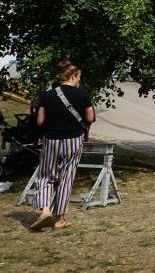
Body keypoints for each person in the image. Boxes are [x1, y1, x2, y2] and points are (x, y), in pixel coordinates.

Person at [30, 59, 95, 231]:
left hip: (51, 139)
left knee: (45, 176)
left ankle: (45, 210)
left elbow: (40, 121)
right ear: (73, 76)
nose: (79, 79)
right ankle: (59, 220)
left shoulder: (47, 95)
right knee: (66, 178)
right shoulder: (83, 95)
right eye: (79, 76)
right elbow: (89, 118)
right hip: (73, 140)